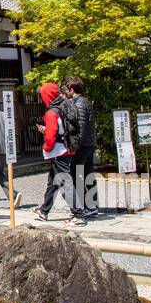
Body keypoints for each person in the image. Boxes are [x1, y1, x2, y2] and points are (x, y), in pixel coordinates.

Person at [27, 82, 84, 226]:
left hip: (57, 151)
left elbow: (51, 136)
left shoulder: (51, 112)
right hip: (67, 147)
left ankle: (78, 214)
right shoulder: (65, 105)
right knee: (53, 181)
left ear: (47, 96)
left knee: (64, 181)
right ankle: (44, 211)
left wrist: (46, 147)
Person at [64, 76, 100, 218]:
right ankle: (93, 206)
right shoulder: (85, 102)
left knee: (76, 174)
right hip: (88, 143)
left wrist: (75, 145)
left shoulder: (79, 103)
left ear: (71, 89)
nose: (66, 92)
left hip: (83, 145)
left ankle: (85, 206)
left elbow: (81, 127)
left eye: (67, 89)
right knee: (87, 174)